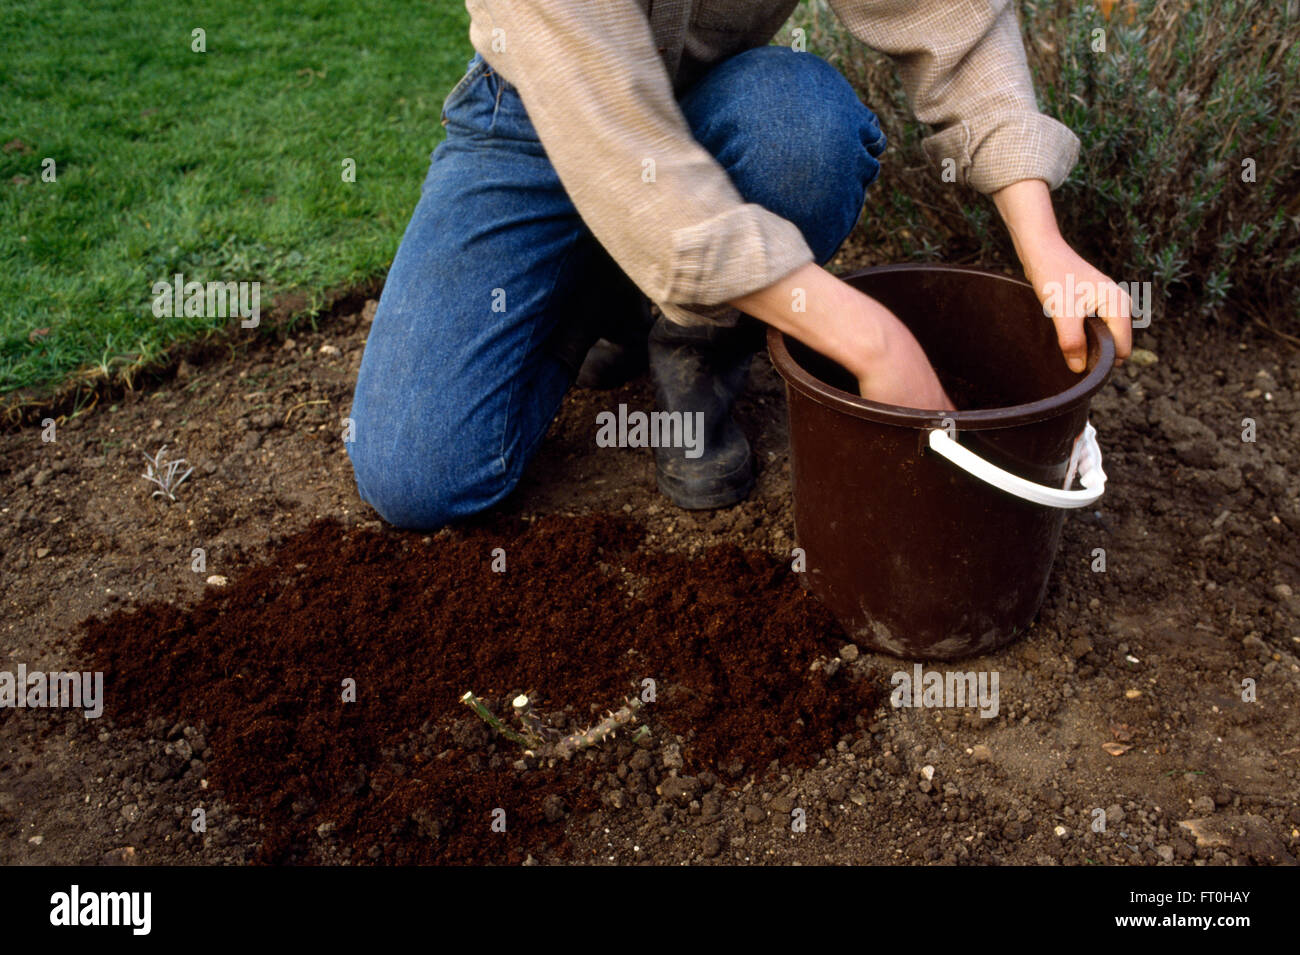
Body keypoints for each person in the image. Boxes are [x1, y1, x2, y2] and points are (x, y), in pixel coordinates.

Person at [348, 0, 1133, 529]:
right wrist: (873, 340)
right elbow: (614, 139)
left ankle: (693, 343)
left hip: (729, 111)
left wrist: (1043, 240)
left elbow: (944, 14)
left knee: (805, 133)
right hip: (543, 116)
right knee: (424, 476)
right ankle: (609, 286)